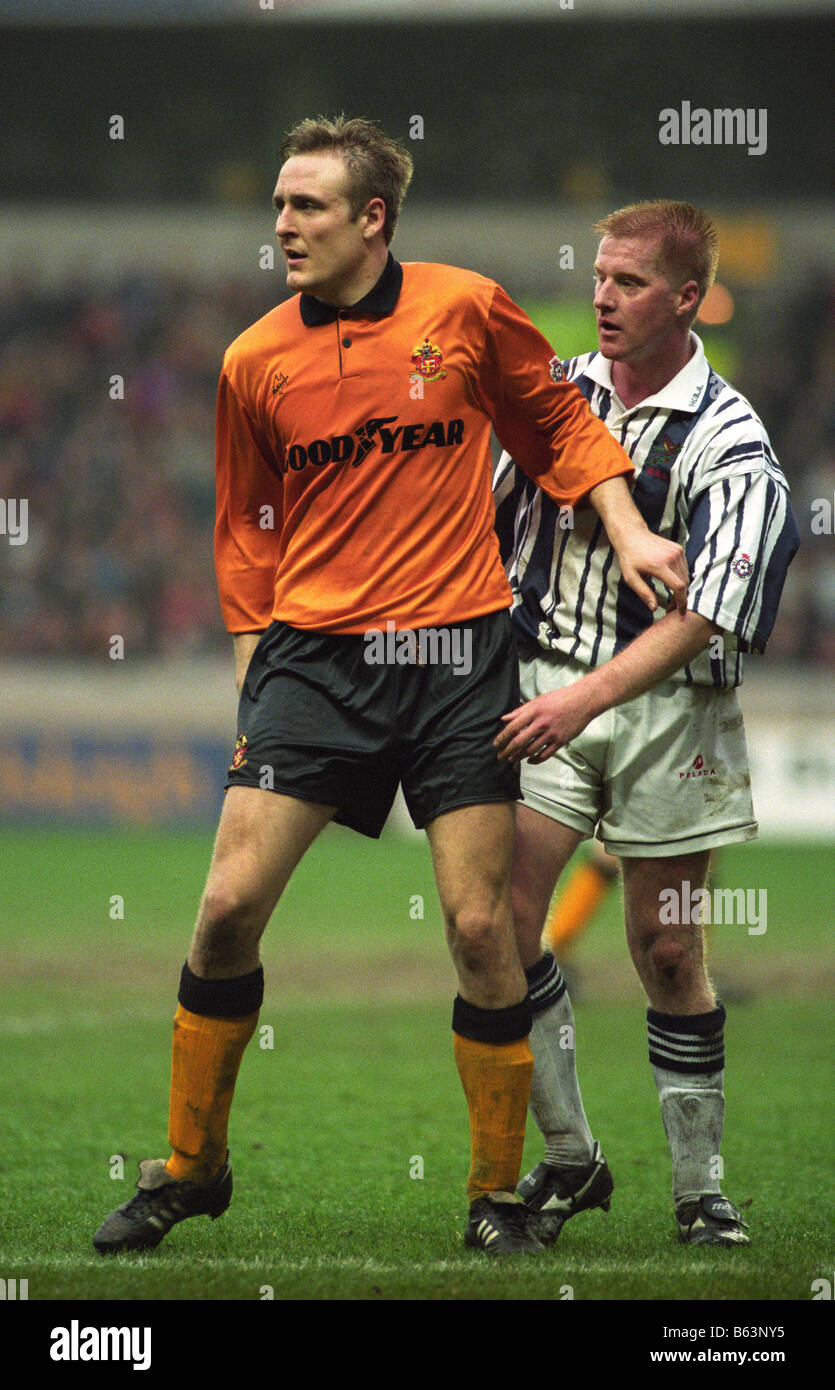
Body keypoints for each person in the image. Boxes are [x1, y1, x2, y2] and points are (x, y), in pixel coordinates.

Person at [92, 121, 688, 1260]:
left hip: (457, 658)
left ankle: (493, 1195)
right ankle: (192, 1168)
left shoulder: (465, 307)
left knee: (479, 925)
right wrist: (253, 671)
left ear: (373, 218)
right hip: (312, 663)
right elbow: (246, 526)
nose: (283, 225)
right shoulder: (252, 359)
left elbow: (555, 422)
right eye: (278, 205)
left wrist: (625, 529)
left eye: (307, 206)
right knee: (225, 911)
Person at [493, 200, 799, 1247]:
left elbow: (709, 611)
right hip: (543, 683)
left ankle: (698, 1189)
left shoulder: (731, 439)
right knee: (499, 923)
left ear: (685, 298)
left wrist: (581, 699)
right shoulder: (555, 396)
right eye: (598, 276)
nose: (602, 296)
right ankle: (569, 1156)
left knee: (666, 949)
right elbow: (481, 512)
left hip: (673, 711)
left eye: (627, 282)